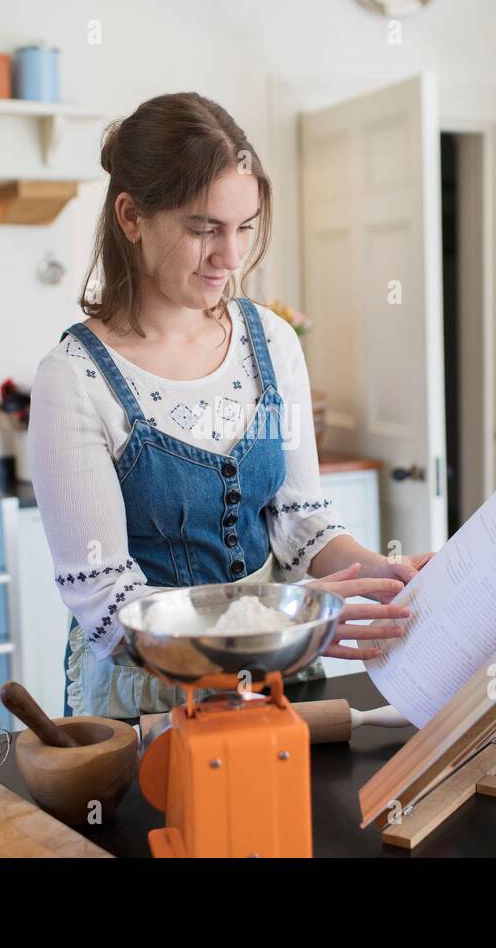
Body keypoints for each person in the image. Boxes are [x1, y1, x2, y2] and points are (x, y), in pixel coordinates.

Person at [28, 92, 433, 718]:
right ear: (131, 216)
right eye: (202, 229)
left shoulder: (268, 341)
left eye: (244, 227)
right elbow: (108, 608)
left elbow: (299, 520)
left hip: (280, 682)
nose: (232, 256)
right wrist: (282, 618)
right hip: (148, 700)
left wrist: (382, 576)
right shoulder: (76, 379)